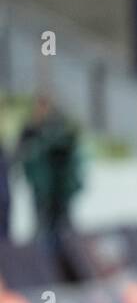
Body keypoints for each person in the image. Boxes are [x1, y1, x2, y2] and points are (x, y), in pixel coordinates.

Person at [17, 95, 85, 282]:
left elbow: (71, 145)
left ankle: (69, 272)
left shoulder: (59, 129)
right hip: (41, 191)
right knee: (42, 229)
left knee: (64, 230)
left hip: (60, 192)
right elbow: (22, 154)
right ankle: (44, 273)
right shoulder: (31, 130)